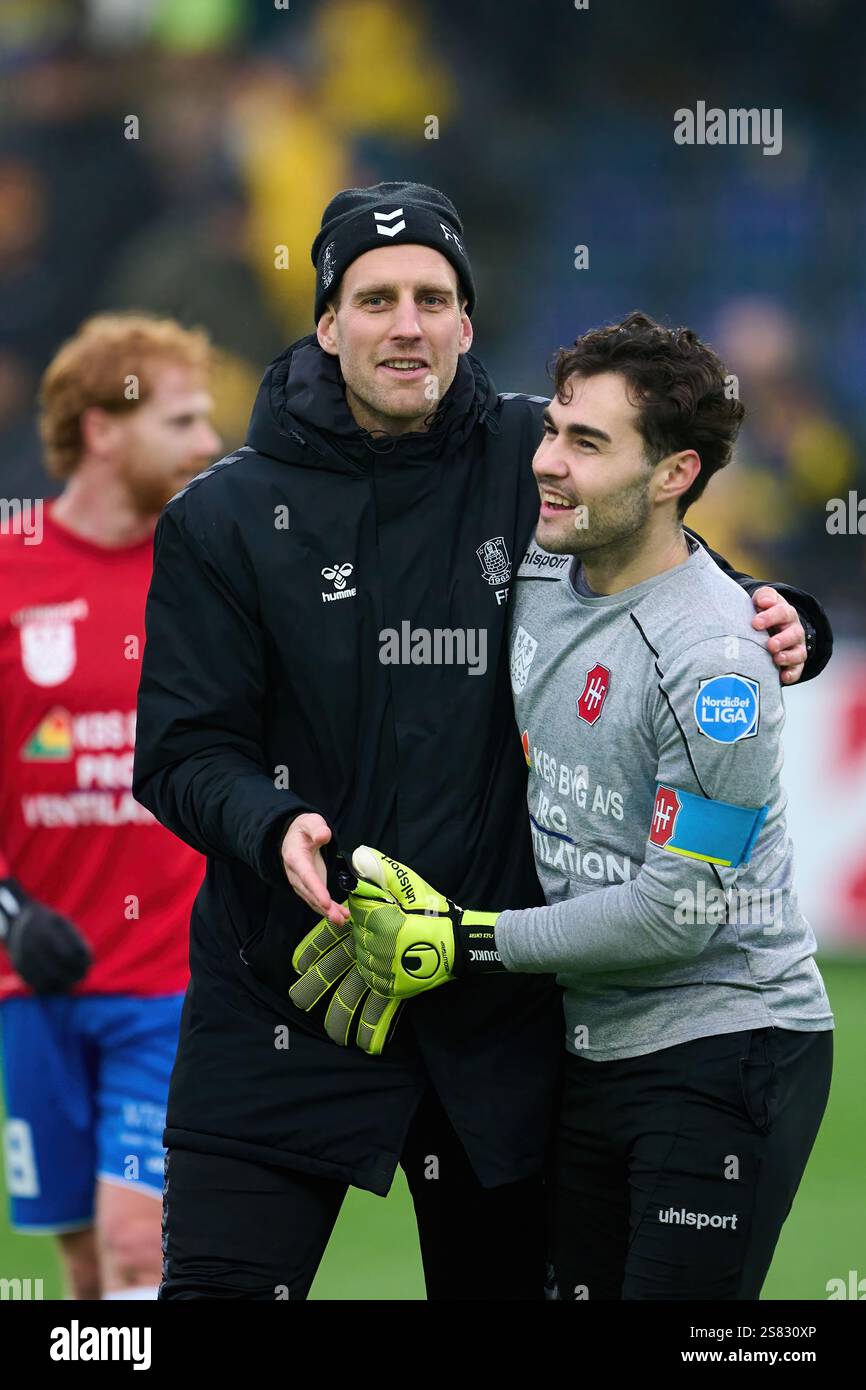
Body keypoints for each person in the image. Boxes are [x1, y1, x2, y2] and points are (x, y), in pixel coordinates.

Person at [132, 183, 830, 1302]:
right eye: (374, 299)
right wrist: (271, 828)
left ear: (465, 323)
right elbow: (175, 751)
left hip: (497, 1024)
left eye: (433, 297)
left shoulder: (536, 455)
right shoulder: (223, 515)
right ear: (326, 323)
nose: (405, 323)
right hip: (288, 996)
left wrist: (784, 609)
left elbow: (666, 563)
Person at [341, 312, 834, 1301]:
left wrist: (460, 939)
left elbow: (676, 911)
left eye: (586, 443)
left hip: (721, 1046)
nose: (547, 464)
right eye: (553, 429)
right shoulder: (528, 569)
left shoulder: (716, 666)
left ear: (672, 475)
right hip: (584, 1051)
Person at [0, 313, 219, 1299]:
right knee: (86, 1267)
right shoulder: (8, 562)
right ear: (101, 428)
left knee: (140, 1248)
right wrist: (11, 917)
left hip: (170, 985)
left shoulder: (211, 571)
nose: (208, 445)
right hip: (34, 983)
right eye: (180, 420)